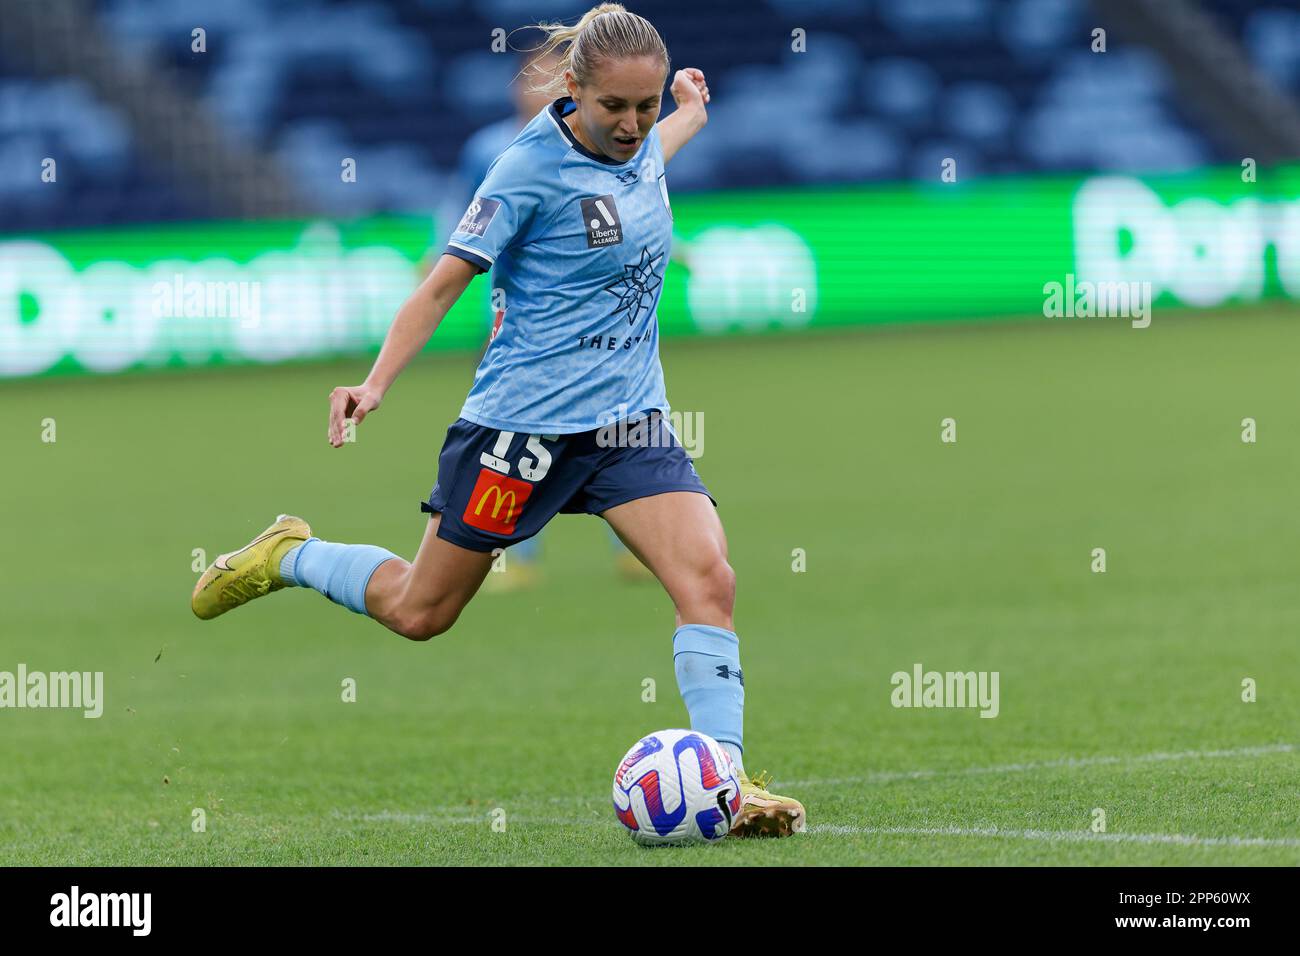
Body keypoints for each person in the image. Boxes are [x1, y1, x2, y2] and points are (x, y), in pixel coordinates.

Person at [191, 3, 805, 838]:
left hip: (629, 424)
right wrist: (373, 385)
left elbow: (647, 166)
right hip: (521, 431)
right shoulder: (524, 170)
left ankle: (728, 785)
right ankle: (292, 553)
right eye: (614, 108)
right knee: (420, 612)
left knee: (710, 581)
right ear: (573, 88)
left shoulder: (644, 144)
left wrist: (690, 110)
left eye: (646, 106)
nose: (631, 126)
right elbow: (442, 285)